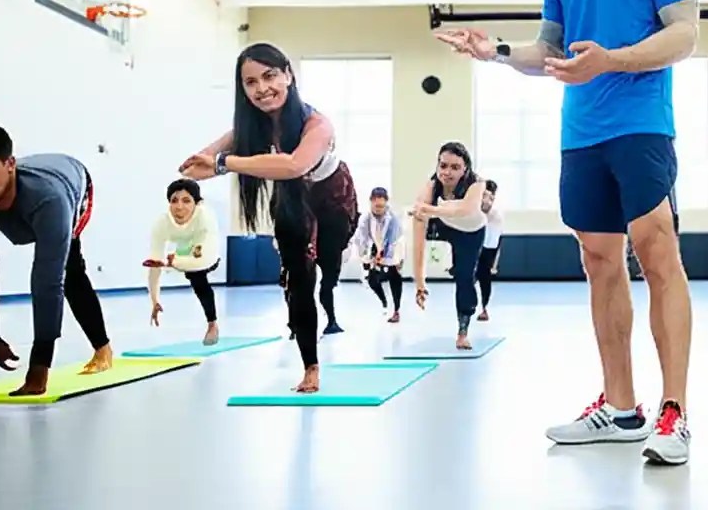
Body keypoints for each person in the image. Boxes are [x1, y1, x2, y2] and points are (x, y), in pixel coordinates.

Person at [432, 0, 699, 465]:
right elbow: (548, 51)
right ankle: (621, 405)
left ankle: (675, 413)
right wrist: (495, 51)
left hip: (641, 124)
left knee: (656, 248)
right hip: (580, 134)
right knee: (598, 261)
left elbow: (684, 36)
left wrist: (612, 61)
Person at [179, 42, 359, 393]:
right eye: (250, 83)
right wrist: (202, 158)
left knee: (327, 267)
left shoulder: (317, 123)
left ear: (288, 75)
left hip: (332, 196)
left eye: (270, 76)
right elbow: (224, 144)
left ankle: (328, 270)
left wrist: (221, 164)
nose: (262, 89)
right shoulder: (251, 126)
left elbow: (294, 164)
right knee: (299, 282)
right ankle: (311, 367)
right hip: (292, 198)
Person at [0, 123, 113, 396]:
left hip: (73, 185)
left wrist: (39, 366)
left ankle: (103, 349)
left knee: (68, 268)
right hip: (29, 196)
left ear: (10, 165)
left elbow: (47, 283)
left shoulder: (50, 201)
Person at [408, 142, 488, 350]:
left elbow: (464, 210)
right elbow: (417, 238)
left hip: (471, 231)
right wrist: (419, 282)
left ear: (465, 169)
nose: (447, 172)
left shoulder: (477, 183)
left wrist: (428, 209)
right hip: (444, 224)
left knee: (464, 275)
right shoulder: (432, 186)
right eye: (443, 166)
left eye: (455, 167)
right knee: (417, 218)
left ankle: (463, 331)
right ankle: (449, 260)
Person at [144, 178, 223, 345]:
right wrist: (155, 300)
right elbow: (154, 265)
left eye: (186, 201)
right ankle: (212, 324)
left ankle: (212, 325)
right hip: (184, 250)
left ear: (197, 203)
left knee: (197, 277)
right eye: (174, 201)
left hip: (205, 251)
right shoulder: (162, 223)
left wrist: (172, 262)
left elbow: (205, 260)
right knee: (191, 270)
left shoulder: (205, 218)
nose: (179, 207)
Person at [352, 186, 405, 322]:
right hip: (374, 247)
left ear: (386, 203)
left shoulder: (393, 218)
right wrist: (366, 258)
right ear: (371, 202)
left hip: (393, 248)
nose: (378, 209)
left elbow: (393, 239)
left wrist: (385, 256)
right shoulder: (365, 218)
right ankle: (384, 302)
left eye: (381, 206)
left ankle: (396, 310)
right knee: (372, 281)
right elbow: (361, 238)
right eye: (376, 206)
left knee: (395, 277)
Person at [476, 179, 504, 321]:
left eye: (487, 195)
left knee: (484, 279)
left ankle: (484, 308)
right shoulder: (475, 209)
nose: (484, 198)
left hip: (487, 249)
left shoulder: (496, 216)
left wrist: (494, 263)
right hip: (476, 247)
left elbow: (497, 242)